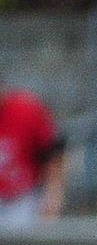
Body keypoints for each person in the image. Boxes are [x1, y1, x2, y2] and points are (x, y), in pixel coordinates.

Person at [0, 85, 68, 228]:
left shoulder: (26, 109)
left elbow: (54, 154)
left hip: (22, 199)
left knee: (21, 243)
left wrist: (53, 196)